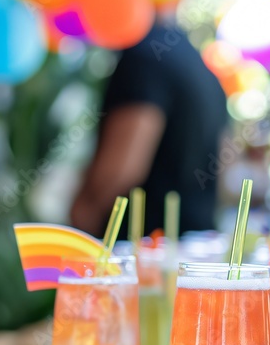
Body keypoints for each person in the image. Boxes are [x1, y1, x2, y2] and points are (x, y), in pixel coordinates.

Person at [69, 12, 228, 238]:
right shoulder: (200, 66)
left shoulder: (143, 58)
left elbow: (122, 168)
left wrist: (84, 212)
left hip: (142, 249)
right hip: (197, 246)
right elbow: (224, 163)